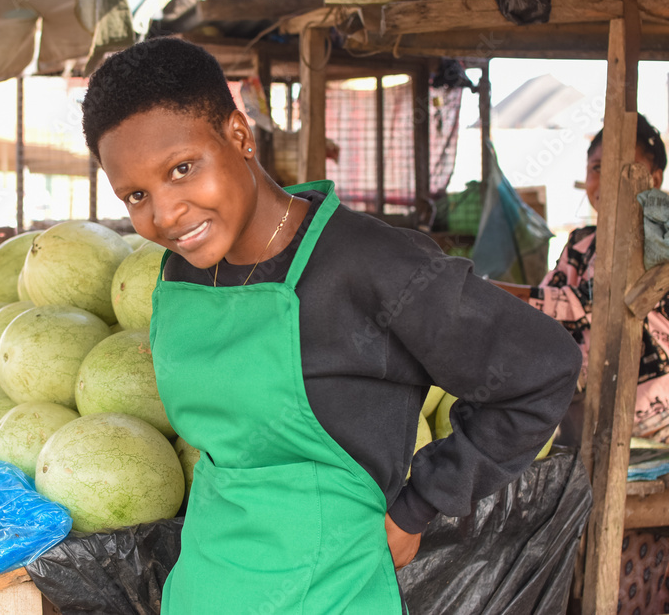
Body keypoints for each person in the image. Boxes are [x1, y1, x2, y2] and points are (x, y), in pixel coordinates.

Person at [81, 36, 582, 614]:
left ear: (239, 136)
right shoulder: (180, 276)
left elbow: (542, 369)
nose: (164, 214)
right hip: (207, 586)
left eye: (183, 168)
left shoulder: (373, 264)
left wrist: (423, 501)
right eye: (136, 194)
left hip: (332, 593)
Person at [494, 115, 669, 613]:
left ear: (652, 177)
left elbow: (588, 303)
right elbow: (549, 304)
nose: (603, 177)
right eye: (595, 166)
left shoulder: (661, 233)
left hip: (651, 405)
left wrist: (496, 291)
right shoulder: (582, 241)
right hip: (588, 401)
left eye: (622, 164)